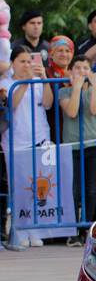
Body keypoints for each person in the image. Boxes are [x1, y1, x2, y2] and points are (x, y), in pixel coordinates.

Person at [1, 46, 54, 248]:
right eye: (22, 61)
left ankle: (35, 229)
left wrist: (45, 80)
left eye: (28, 61)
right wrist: (25, 82)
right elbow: (12, 104)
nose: (26, 65)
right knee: (19, 187)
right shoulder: (6, 83)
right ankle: (19, 229)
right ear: (13, 63)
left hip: (40, 137)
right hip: (16, 141)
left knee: (38, 187)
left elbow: (48, 104)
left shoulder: (38, 80)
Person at [57, 55, 96, 241]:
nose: (82, 72)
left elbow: (95, 110)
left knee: (91, 188)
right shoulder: (64, 92)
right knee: (74, 189)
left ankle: (86, 229)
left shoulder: (93, 90)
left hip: (92, 144)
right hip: (72, 145)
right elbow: (72, 111)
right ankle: (74, 230)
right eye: (78, 68)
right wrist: (76, 88)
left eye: (85, 68)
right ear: (71, 71)